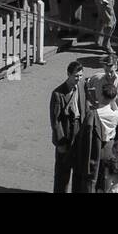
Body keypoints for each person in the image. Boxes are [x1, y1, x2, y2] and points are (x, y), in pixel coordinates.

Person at [49, 61, 85, 193]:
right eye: (76, 76)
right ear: (68, 74)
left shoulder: (81, 86)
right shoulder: (58, 94)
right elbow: (56, 121)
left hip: (79, 132)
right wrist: (61, 142)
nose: (78, 79)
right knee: (62, 172)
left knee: (78, 170)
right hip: (65, 133)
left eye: (80, 76)